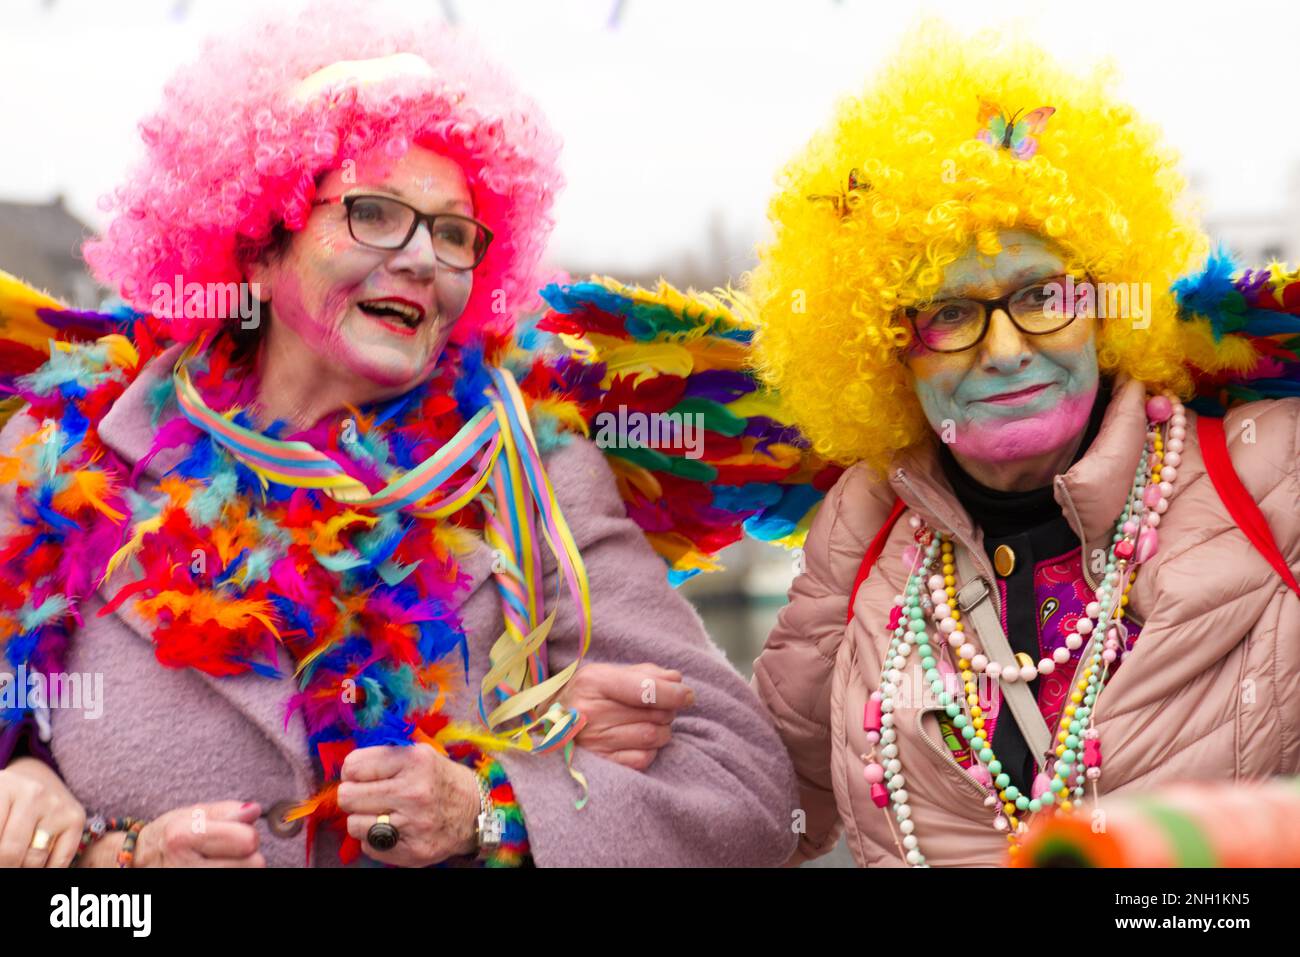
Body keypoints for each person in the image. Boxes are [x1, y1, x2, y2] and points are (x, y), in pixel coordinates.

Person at [0, 3, 797, 868]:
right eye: (375, 214)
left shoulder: (531, 474)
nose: (421, 257)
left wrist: (490, 816)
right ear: (257, 248)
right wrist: (89, 848)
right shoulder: (72, 453)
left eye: (453, 233)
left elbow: (747, 795)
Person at [745, 25, 1300, 866]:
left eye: (1041, 293)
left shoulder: (1268, 476)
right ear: (889, 348)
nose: (1005, 350)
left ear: (1106, 303)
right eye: (951, 312)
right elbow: (756, 806)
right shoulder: (859, 531)